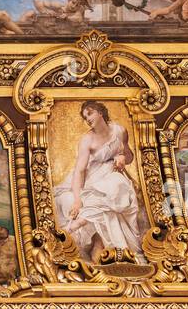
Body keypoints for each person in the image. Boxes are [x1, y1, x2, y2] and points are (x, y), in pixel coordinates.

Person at [53, 101, 147, 262]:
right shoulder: (87, 140)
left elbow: (129, 156)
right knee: (114, 186)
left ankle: (79, 227)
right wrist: (77, 200)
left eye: (89, 114)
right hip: (92, 177)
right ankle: (79, 226)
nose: (87, 119)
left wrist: (123, 157)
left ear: (100, 112)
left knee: (117, 183)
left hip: (112, 173)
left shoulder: (120, 131)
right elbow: (80, 170)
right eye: (84, 117)